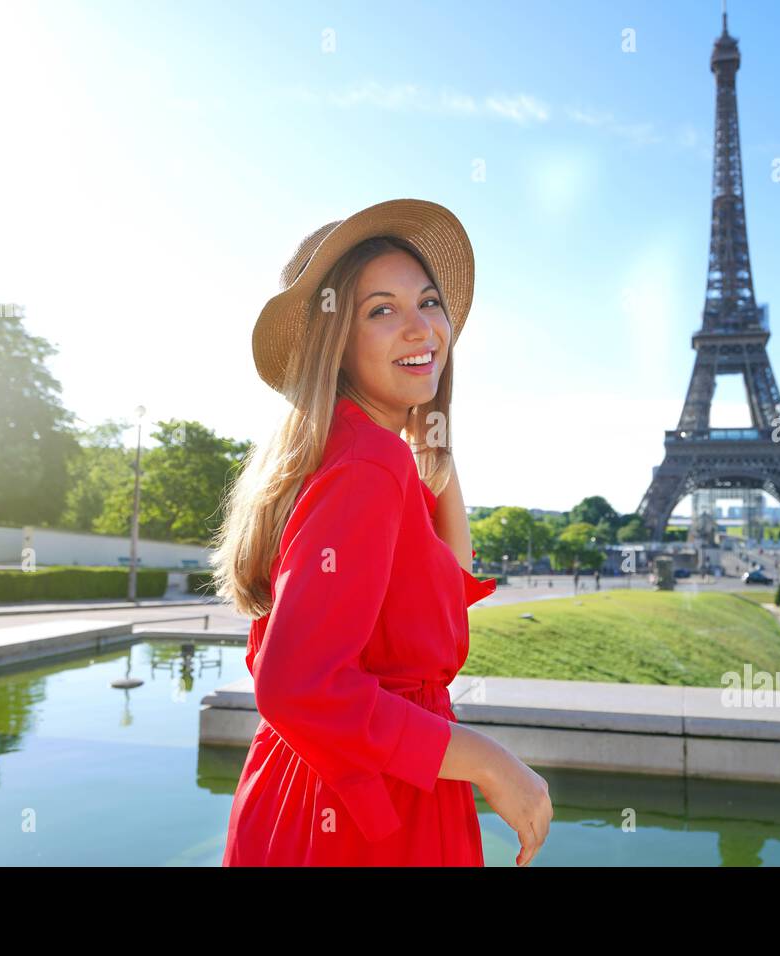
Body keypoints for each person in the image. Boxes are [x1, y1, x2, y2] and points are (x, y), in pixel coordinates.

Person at [211, 199, 552, 866]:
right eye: (381, 310)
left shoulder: (352, 452)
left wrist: (436, 449)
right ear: (334, 343)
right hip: (369, 814)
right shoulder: (369, 463)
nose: (421, 327)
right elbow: (295, 683)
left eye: (429, 302)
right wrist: (490, 763)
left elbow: (443, 593)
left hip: (321, 790)